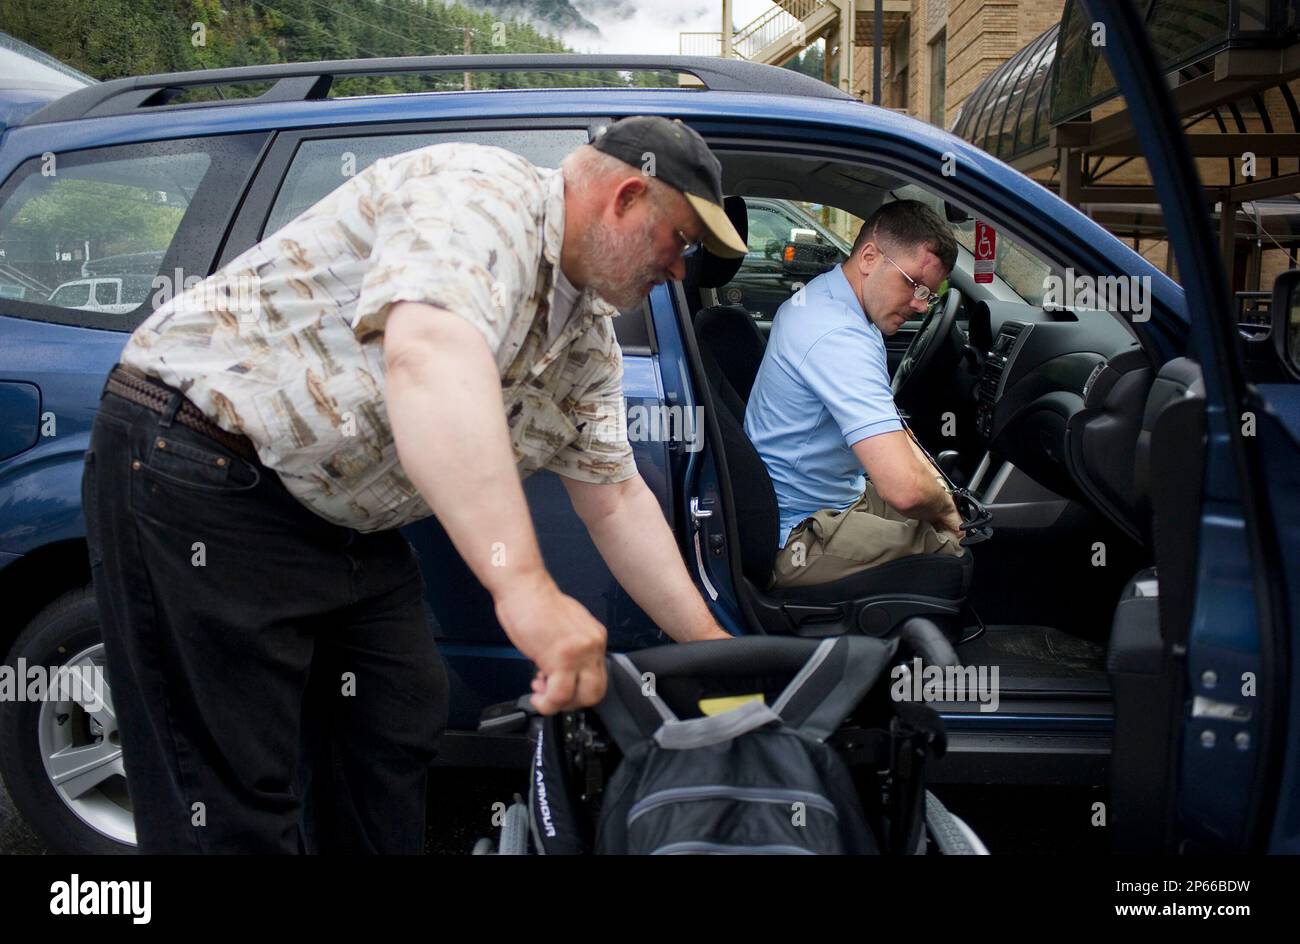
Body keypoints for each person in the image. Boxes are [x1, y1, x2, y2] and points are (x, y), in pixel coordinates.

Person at [81, 115, 746, 853]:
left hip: (341, 518)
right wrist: (523, 588)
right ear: (625, 197)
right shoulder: (480, 199)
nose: (681, 269)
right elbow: (428, 356)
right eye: (680, 241)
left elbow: (616, 499)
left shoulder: (584, 341)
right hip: (201, 464)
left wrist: (712, 653)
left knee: (393, 719)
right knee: (230, 794)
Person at [743, 199, 966, 589]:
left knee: (942, 515)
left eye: (929, 294)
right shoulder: (837, 335)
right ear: (868, 257)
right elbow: (905, 489)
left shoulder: (832, 301)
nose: (919, 304)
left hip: (826, 497)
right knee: (952, 551)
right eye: (913, 284)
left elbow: (892, 428)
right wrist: (947, 509)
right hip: (796, 535)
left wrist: (943, 494)